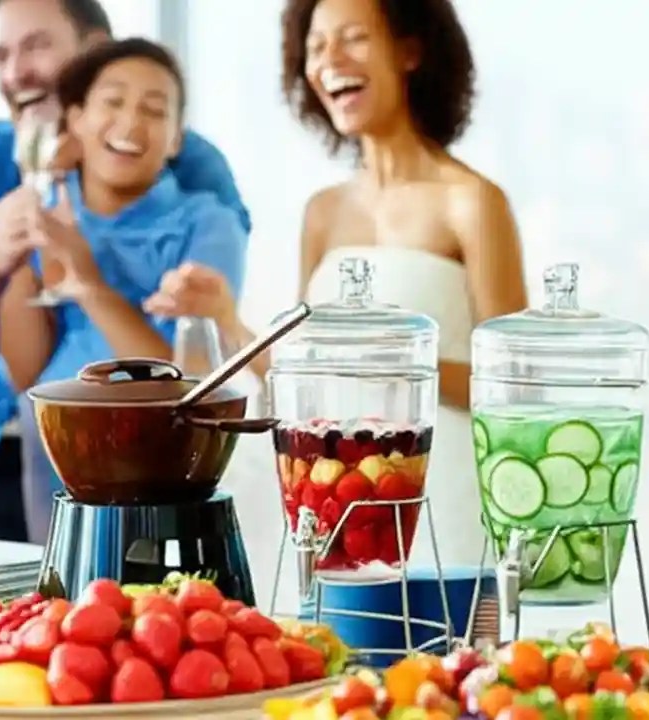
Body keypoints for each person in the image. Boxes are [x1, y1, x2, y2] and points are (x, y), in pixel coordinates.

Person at [146, 0, 527, 614]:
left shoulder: (473, 202)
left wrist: (393, 371)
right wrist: (227, 317)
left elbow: (507, 387)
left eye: (353, 38)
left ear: (410, 50)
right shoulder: (322, 212)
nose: (329, 62)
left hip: (445, 504)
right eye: (316, 47)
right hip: (337, 507)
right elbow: (302, 379)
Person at [0, 0, 251, 543]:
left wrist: (87, 280)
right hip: (25, 454)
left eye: (36, 45)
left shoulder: (200, 191)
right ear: (79, 115)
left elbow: (195, 374)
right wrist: (6, 257)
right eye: (1, 54)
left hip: (154, 467)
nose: (16, 72)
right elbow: (0, 357)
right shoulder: (2, 166)